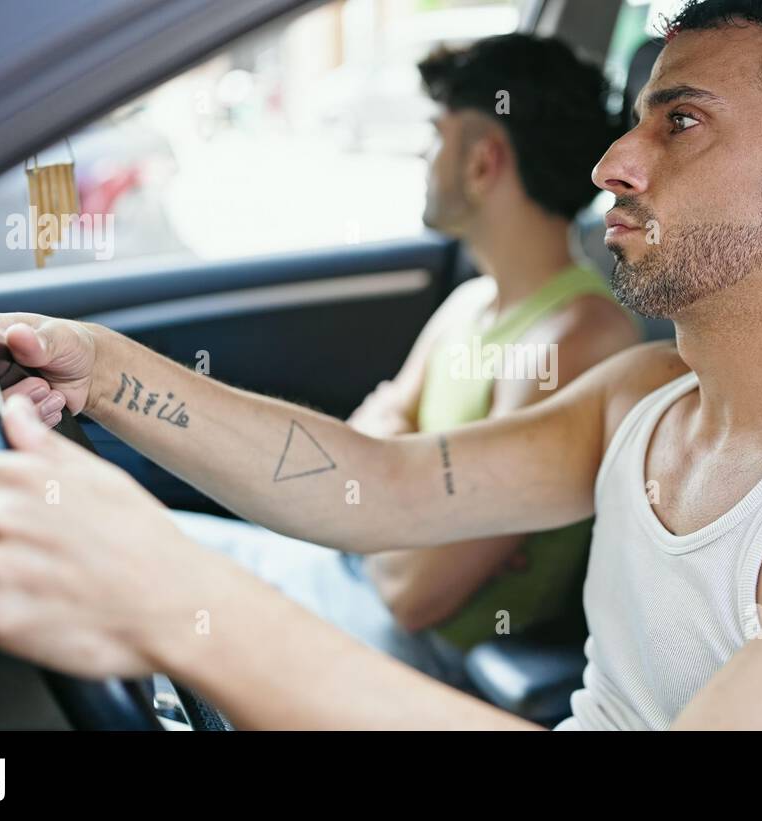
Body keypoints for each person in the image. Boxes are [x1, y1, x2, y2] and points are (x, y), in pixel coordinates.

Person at [0, 0, 762, 730]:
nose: (614, 161)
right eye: (632, 120)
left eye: (682, 122)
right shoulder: (647, 398)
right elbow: (373, 486)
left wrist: (175, 595)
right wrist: (108, 369)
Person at [166, 33, 639, 688]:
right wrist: (396, 506)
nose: (424, 155)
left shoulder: (575, 339)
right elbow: (367, 448)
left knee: (141, 577)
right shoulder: (469, 306)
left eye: (436, 136)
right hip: (343, 579)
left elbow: (417, 591)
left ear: (482, 163)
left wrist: (378, 486)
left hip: (410, 651)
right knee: (129, 536)